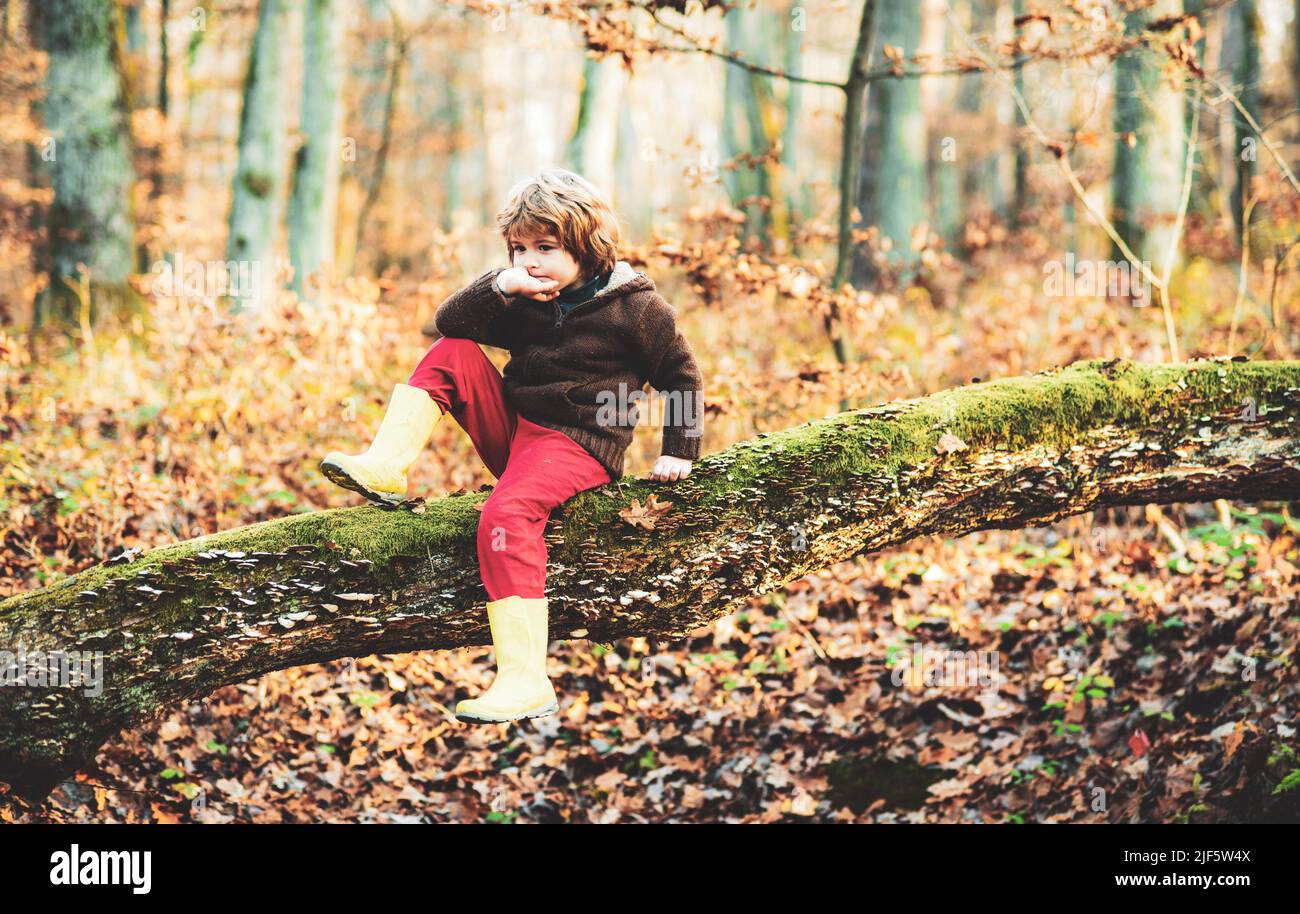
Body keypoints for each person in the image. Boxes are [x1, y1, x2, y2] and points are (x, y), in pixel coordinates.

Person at [319, 167, 704, 724]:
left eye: (545, 248)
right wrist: (501, 286)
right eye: (519, 248)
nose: (530, 260)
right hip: (519, 434)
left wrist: (679, 450)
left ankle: (524, 678)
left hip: (580, 444)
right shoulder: (528, 296)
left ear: (587, 246)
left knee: (507, 513)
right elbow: (448, 321)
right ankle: (385, 465)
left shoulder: (636, 308)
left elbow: (682, 374)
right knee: (452, 352)